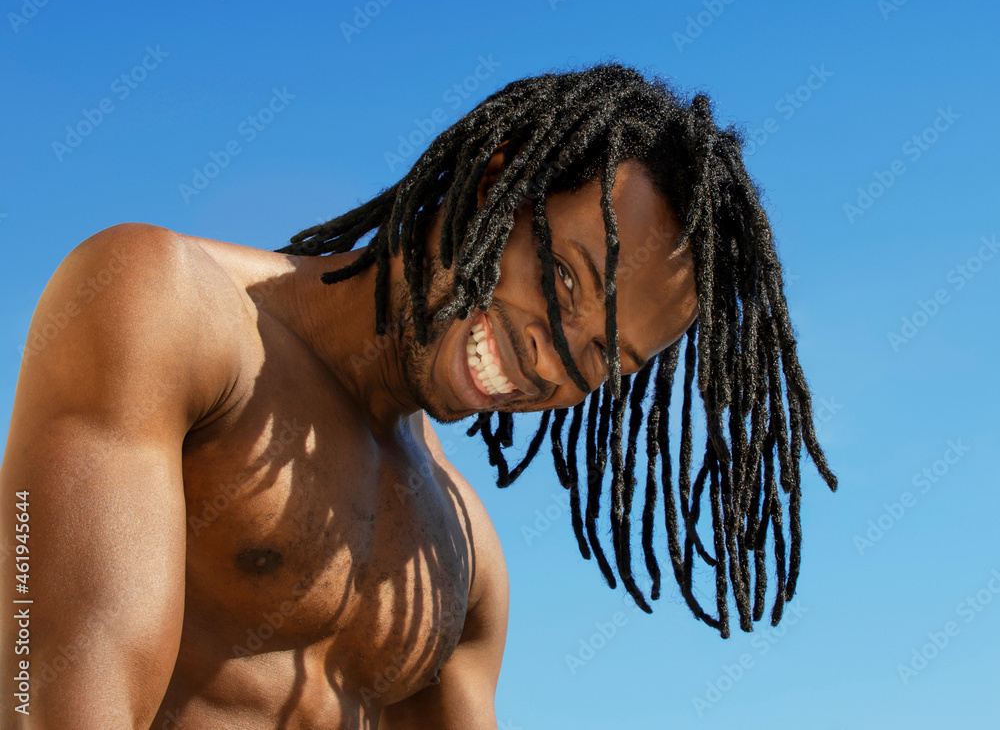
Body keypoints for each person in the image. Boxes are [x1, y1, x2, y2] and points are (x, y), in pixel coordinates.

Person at [0, 63, 836, 728]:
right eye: (566, 281)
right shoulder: (164, 310)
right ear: (492, 190)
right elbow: (47, 693)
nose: (555, 363)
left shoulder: (462, 559)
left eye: (604, 357)